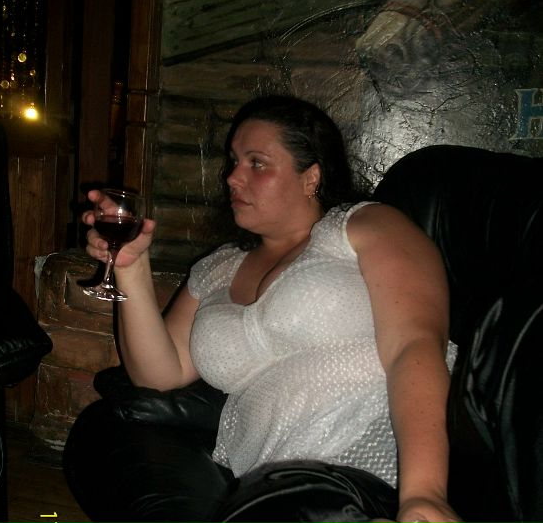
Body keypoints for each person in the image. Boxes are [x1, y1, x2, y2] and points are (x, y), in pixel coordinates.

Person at [82, 95, 461, 523]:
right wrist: (131, 267)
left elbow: (415, 345)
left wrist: (425, 493)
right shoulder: (218, 267)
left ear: (311, 176)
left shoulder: (365, 225)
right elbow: (158, 373)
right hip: (265, 487)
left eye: (256, 163)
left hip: (369, 468)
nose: (232, 177)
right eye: (233, 162)